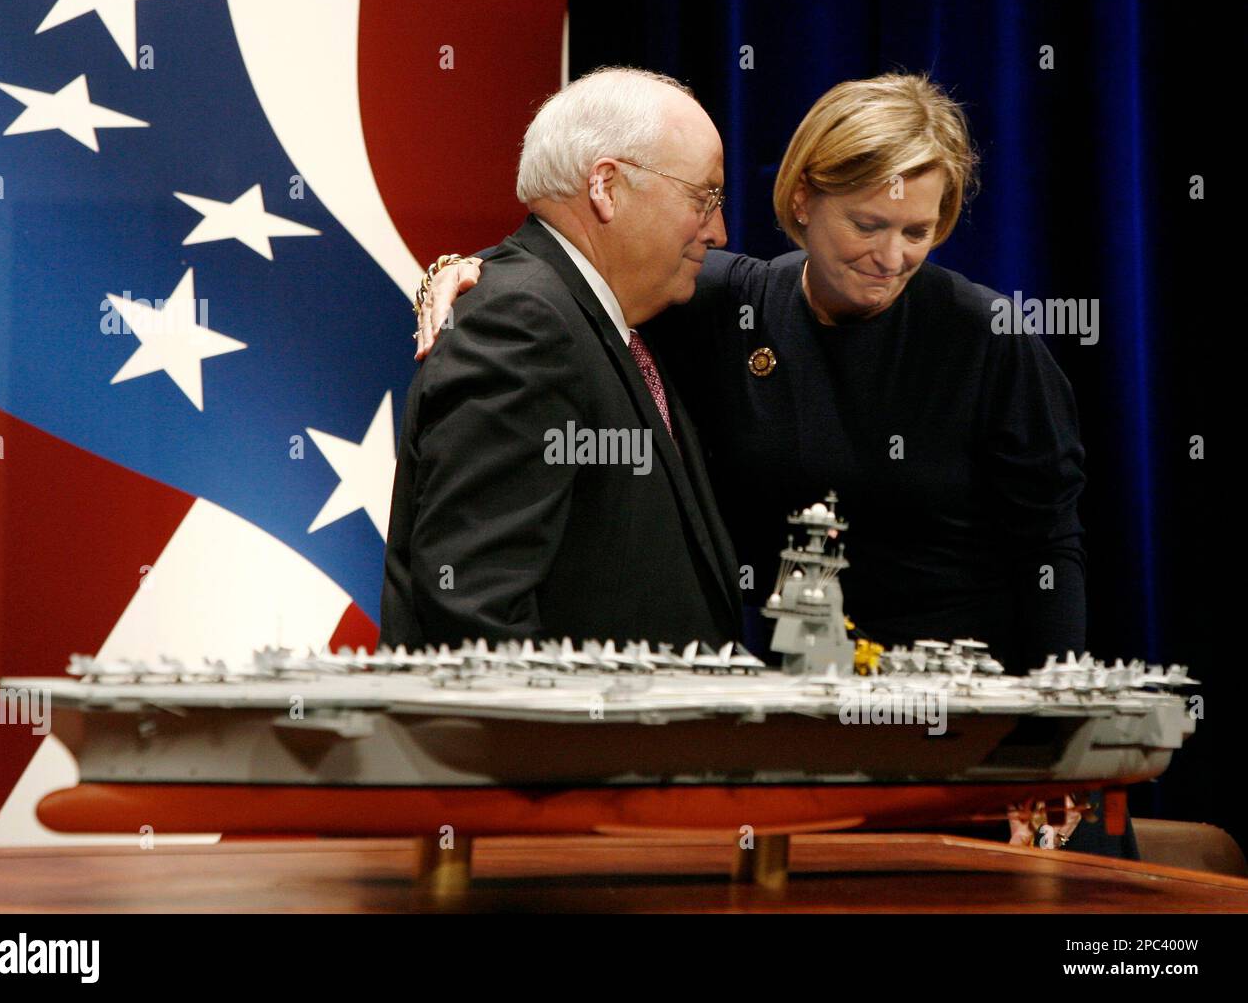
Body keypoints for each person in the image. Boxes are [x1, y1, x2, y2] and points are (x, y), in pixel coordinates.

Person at [416, 72, 1133, 857]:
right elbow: (570, 268)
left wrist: (1051, 750)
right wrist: (461, 268)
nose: (892, 257)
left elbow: (1050, 555)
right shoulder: (719, 304)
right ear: (801, 202)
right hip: (802, 736)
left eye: (919, 232)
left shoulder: (991, 341)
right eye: (868, 224)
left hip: (967, 734)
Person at [380, 67, 742, 649]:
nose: (719, 230)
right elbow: (475, 609)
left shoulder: (591, 313)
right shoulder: (523, 322)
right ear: (606, 186)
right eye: (705, 197)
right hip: (560, 740)